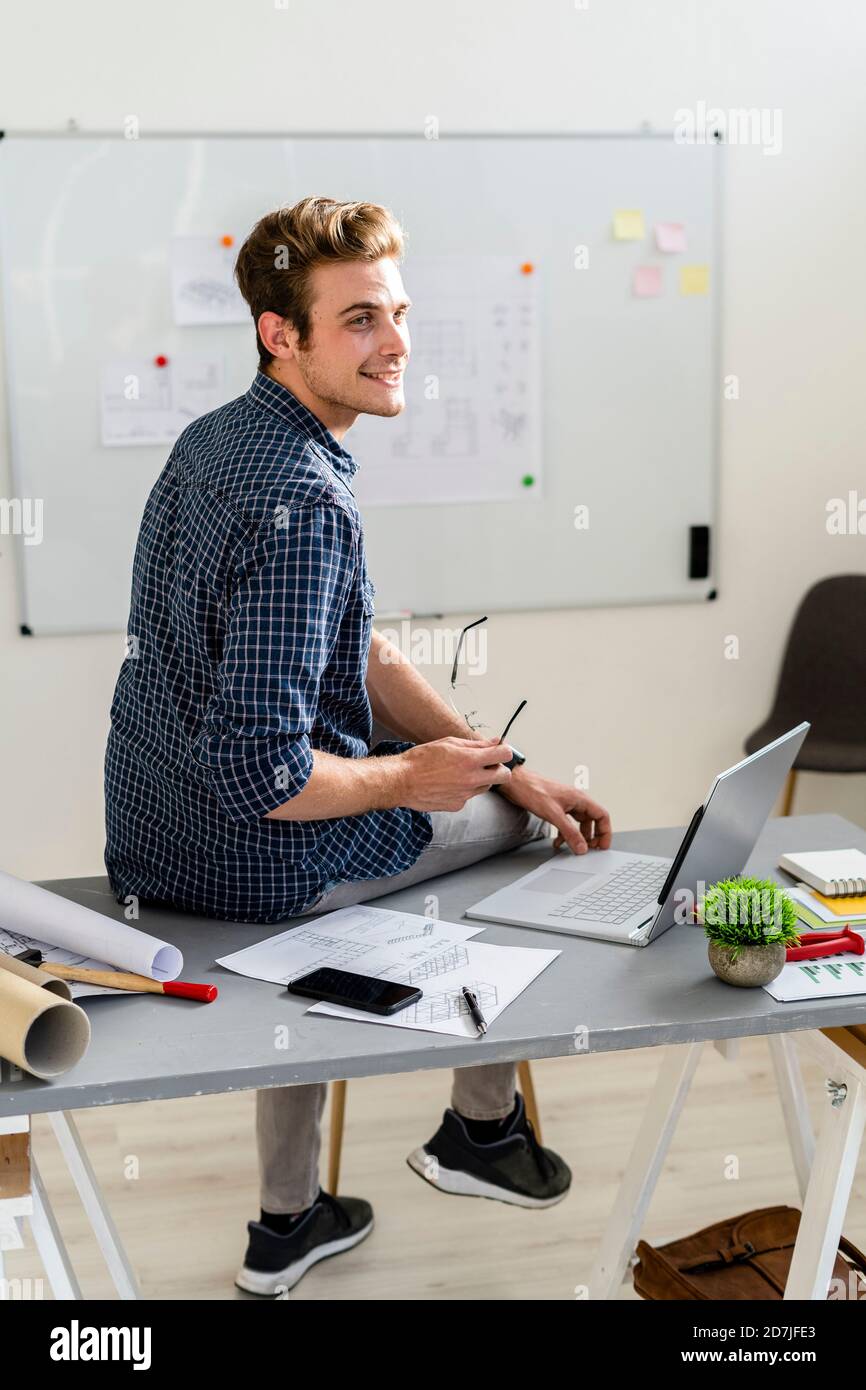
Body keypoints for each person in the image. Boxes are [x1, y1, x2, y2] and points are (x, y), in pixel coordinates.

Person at [103, 196, 612, 1296]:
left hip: (149, 844)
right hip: (255, 856)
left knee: (488, 799)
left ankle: (286, 1222)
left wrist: (491, 755)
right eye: (360, 320)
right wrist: (443, 782)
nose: (398, 344)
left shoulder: (217, 440)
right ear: (278, 334)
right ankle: (478, 1134)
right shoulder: (306, 497)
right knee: (518, 832)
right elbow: (263, 774)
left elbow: (361, 652)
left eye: (399, 312)